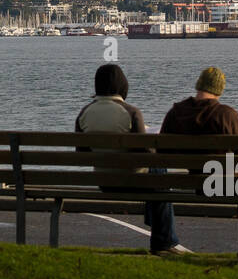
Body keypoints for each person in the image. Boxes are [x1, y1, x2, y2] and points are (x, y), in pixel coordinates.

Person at [75, 63, 182, 256]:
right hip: (132, 181)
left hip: (104, 181)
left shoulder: (84, 113)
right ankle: (163, 242)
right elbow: (146, 154)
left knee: (156, 177)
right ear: (123, 85)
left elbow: (81, 152)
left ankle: (160, 233)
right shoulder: (131, 112)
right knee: (160, 173)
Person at [160, 66, 238, 258]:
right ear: (219, 89)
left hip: (187, 182)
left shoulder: (176, 112)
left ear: (199, 84)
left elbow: (162, 151)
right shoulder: (226, 114)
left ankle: (160, 242)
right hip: (219, 184)